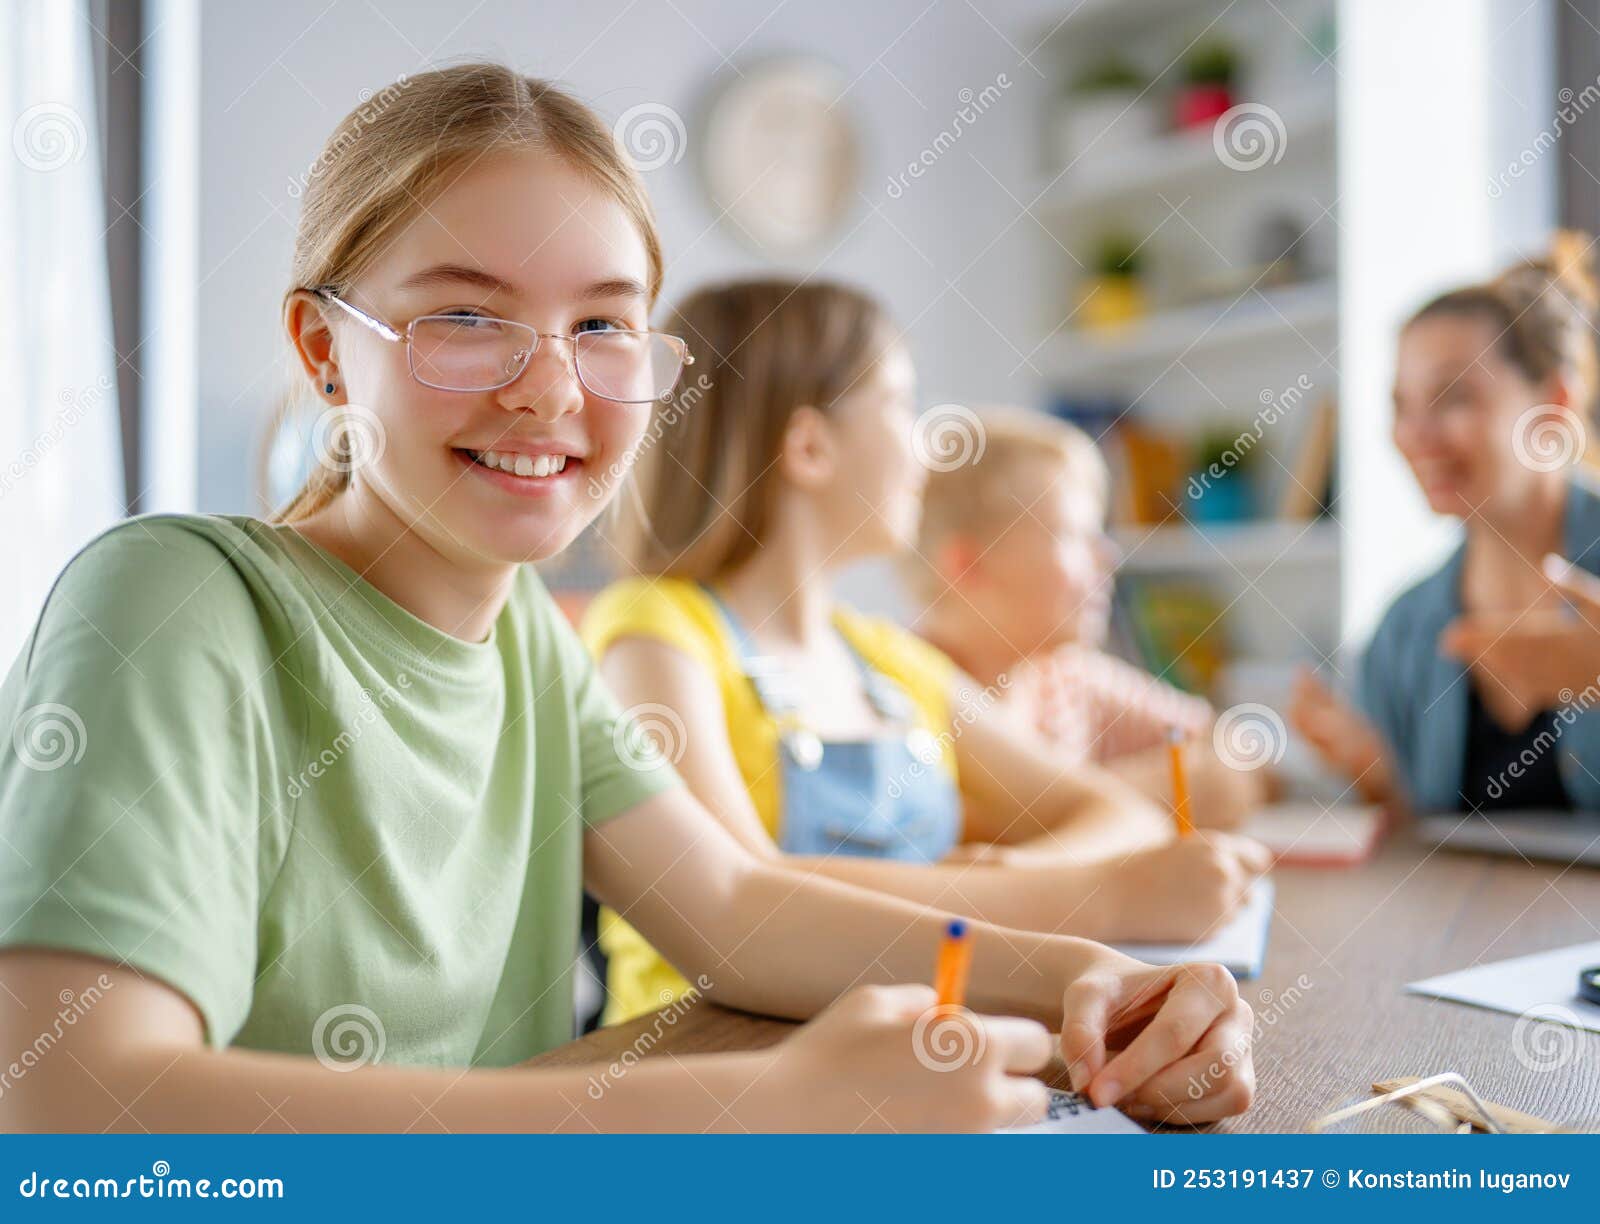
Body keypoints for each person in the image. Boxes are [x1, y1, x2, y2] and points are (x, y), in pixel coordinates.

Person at [0, 63, 1254, 1132]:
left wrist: (1089, 981)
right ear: (326, 351)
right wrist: (759, 1109)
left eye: (603, 326)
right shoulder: (177, 603)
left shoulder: (536, 655)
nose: (551, 392)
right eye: (465, 319)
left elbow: (740, 909)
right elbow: (70, 1106)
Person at [584, 279, 1269, 1026]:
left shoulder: (891, 661)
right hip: (710, 1068)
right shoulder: (654, 633)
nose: (924, 446)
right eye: (902, 406)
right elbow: (750, 898)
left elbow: (1116, 812)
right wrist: (1102, 894)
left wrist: (1009, 870)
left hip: (914, 1044)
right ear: (810, 446)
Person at [1291, 232, 1600, 815]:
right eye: (1400, 406)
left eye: (1453, 397)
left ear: (1555, 405)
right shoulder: (1401, 634)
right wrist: (1378, 777)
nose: (1414, 436)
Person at [909, 406, 1266, 829]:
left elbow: (1239, 751)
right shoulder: (906, 700)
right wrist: (1110, 804)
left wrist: (1084, 807)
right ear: (968, 565)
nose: (1107, 555)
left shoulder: (1070, 680)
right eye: (1074, 535)